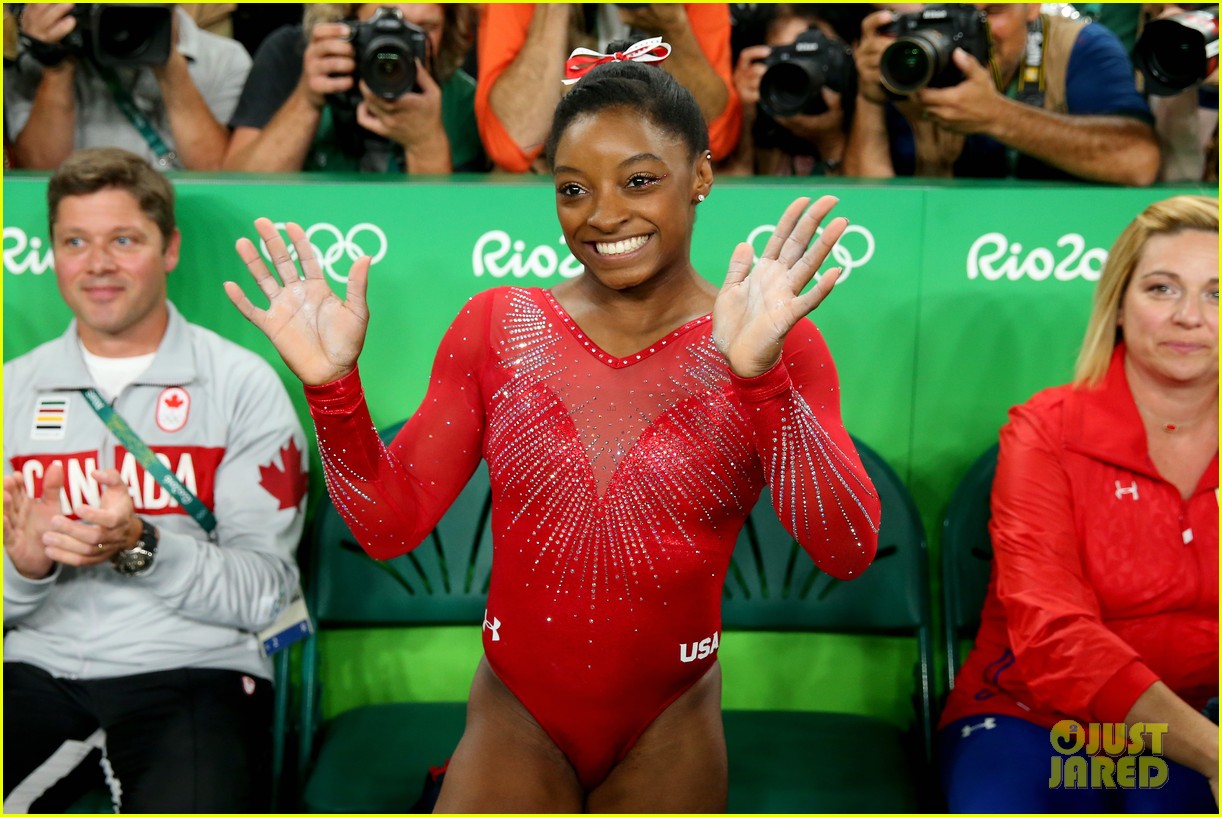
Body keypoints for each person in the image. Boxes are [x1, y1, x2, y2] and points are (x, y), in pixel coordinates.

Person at [226, 46, 880, 811]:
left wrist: (760, 378)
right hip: (515, 717)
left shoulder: (773, 342)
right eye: (574, 188)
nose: (604, 215)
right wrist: (332, 390)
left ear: (701, 175)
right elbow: (389, 526)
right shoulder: (499, 326)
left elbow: (846, 550)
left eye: (640, 180)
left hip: (673, 721)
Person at [2, 148, 307, 813]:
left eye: (124, 240)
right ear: (52, 251)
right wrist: (23, 570)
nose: (98, 263)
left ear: (169, 248)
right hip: (34, 669)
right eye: (75, 241)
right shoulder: (13, 389)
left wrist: (141, 542)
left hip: (196, 670)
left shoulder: (240, 384)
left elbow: (265, 593)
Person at [938, 194, 1218, 812]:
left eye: (1216, 293)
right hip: (1034, 718)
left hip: (1192, 722)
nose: (1190, 317)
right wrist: (1214, 753)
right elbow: (1055, 636)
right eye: (1163, 289)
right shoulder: (1046, 431)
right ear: (1119, 303)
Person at [843, 3, 1160, 184]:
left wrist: (998, 117)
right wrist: (870, 98)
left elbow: (1138, 162)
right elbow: (869, 208)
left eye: (992, 12)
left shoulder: (1079, 46)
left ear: (1032, 7)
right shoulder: (907, 59)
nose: (978, 30)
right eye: (959, 14)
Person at [475, 4, 740, 174]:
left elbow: (714, 139)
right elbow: (512, 145)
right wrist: (552, 9)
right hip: (553, 177)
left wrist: (674, 27)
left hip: (661, 169)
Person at [224, 3, 486, 175]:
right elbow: (242, 188)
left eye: (425, 28)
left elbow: (448, 226)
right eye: (383, 24)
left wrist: (425, 144)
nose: (396, 47)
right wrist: (307, 100)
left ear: (449, 28)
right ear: (346, 21)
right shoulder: (292, 56)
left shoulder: (459, 96)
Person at [5, 4, 251, 171]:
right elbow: (40, 171)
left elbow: (215, 173)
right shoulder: (36, 57)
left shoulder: (226, 58)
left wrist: (168, 58)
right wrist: (57, 63)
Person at [721, 4, 867, 176]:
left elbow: (871, 198)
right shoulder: (761, 115)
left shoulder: (871, 100)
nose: (800, 73)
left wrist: (832, 144)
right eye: (787, 57)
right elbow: (733, 196)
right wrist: (742, 115)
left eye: (818, 56)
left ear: (854, 51)